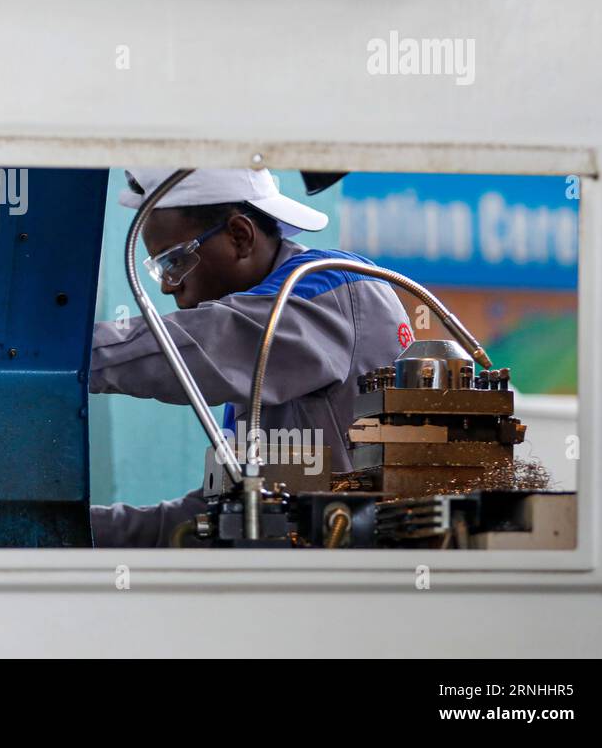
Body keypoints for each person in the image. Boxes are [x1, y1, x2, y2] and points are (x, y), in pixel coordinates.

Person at [88, 168, 411, 547]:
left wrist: (56, 360)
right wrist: (67, 527)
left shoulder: (330, 293)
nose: (167, 285)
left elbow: (189, 346)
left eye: (174, 262)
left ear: (240, 237)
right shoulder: (256, 367)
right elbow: (222, 520)